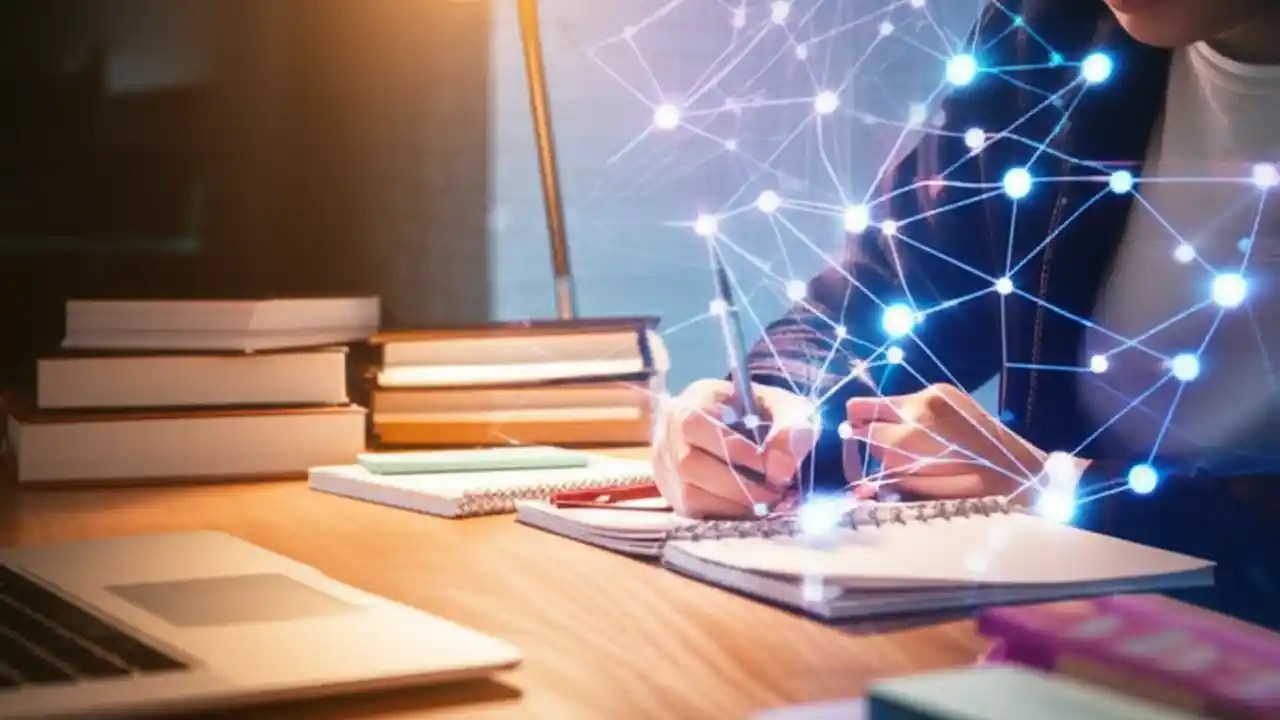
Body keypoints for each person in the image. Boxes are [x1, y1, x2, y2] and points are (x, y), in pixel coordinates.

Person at [653, 0, 1280, 629]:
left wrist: (1061, 489)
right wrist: (764, 410)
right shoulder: (1050, 31)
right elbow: (880, 291)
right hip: (1069, 642)